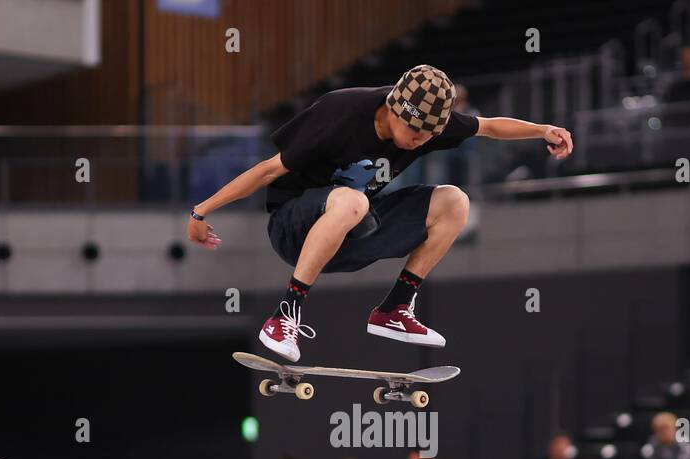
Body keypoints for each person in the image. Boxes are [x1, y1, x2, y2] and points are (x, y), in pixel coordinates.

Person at [185, 64, 574, 362]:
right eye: (415, 134)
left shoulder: (430, 123)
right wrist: (200, 213)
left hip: (351, 231)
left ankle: (394, 308)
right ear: (393, 109)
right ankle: (283, 316)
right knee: (354, 201)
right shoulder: (340, 113)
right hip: (293, 226)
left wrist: (542, 130)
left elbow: (488, 127)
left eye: (429, 136)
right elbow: (269, 169)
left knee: (454, 201)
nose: (420, 142)